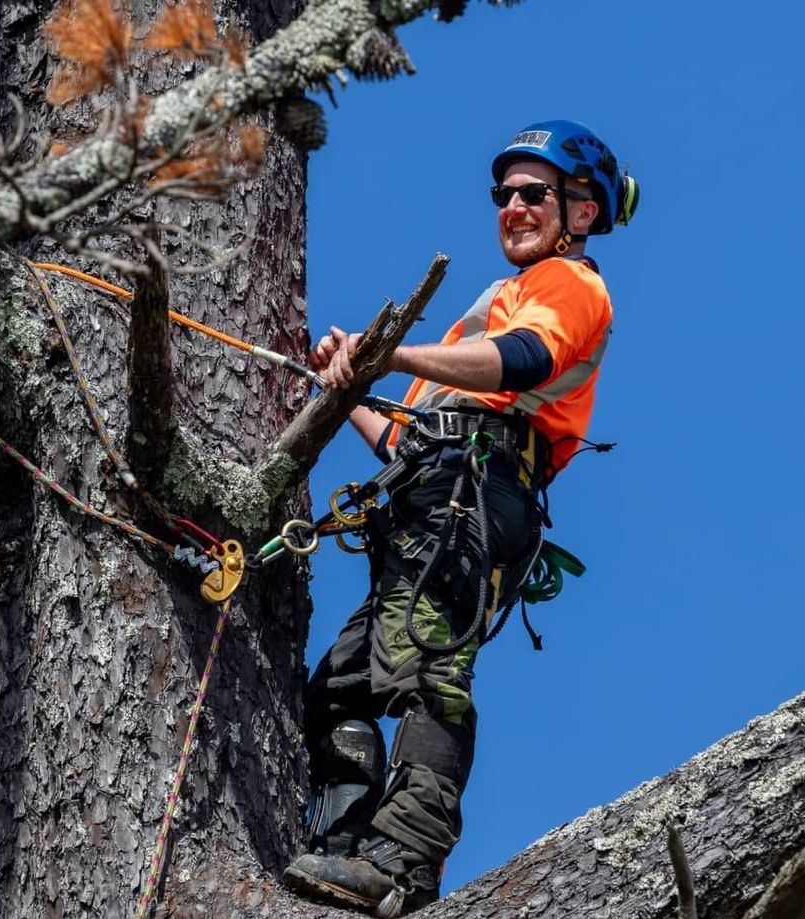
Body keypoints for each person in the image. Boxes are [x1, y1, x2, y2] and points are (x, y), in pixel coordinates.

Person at [282, 120, 639, 916]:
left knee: (427, 667)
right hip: (434, 490)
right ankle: (343, 847)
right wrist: (342, 393)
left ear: (582, 212)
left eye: (533, 194)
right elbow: (409, 440)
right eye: (504, 195)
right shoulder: (495, 303)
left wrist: (392, 356)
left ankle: (403, 862)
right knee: (335, 693)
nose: (513, 207)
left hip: (474, 494)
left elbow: (524, 361)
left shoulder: (570, 286)